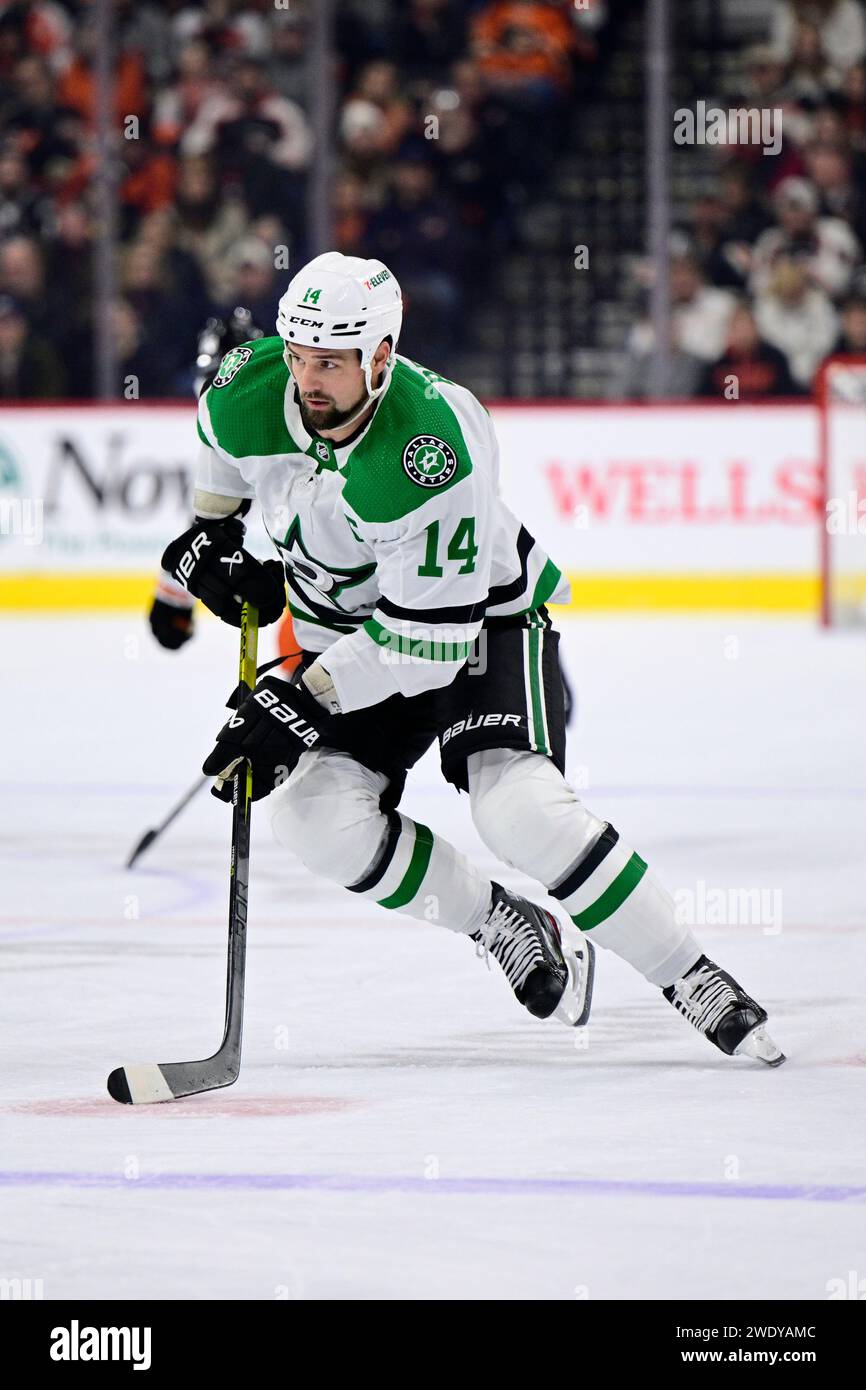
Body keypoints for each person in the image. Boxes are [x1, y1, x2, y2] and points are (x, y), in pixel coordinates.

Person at [160, 252, 784, 1065]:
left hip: (477, 626)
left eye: (333, 363)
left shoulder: (433, 444)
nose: (309, 380)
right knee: (311, 819)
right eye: (302, 356)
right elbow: (220, 477)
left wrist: (301, 700)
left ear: (380, 357)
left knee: (517, 811)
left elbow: (429, 643)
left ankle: (689, 973)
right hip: (340, 637)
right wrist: (210, 542)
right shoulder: (248, 387)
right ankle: (501, 921)